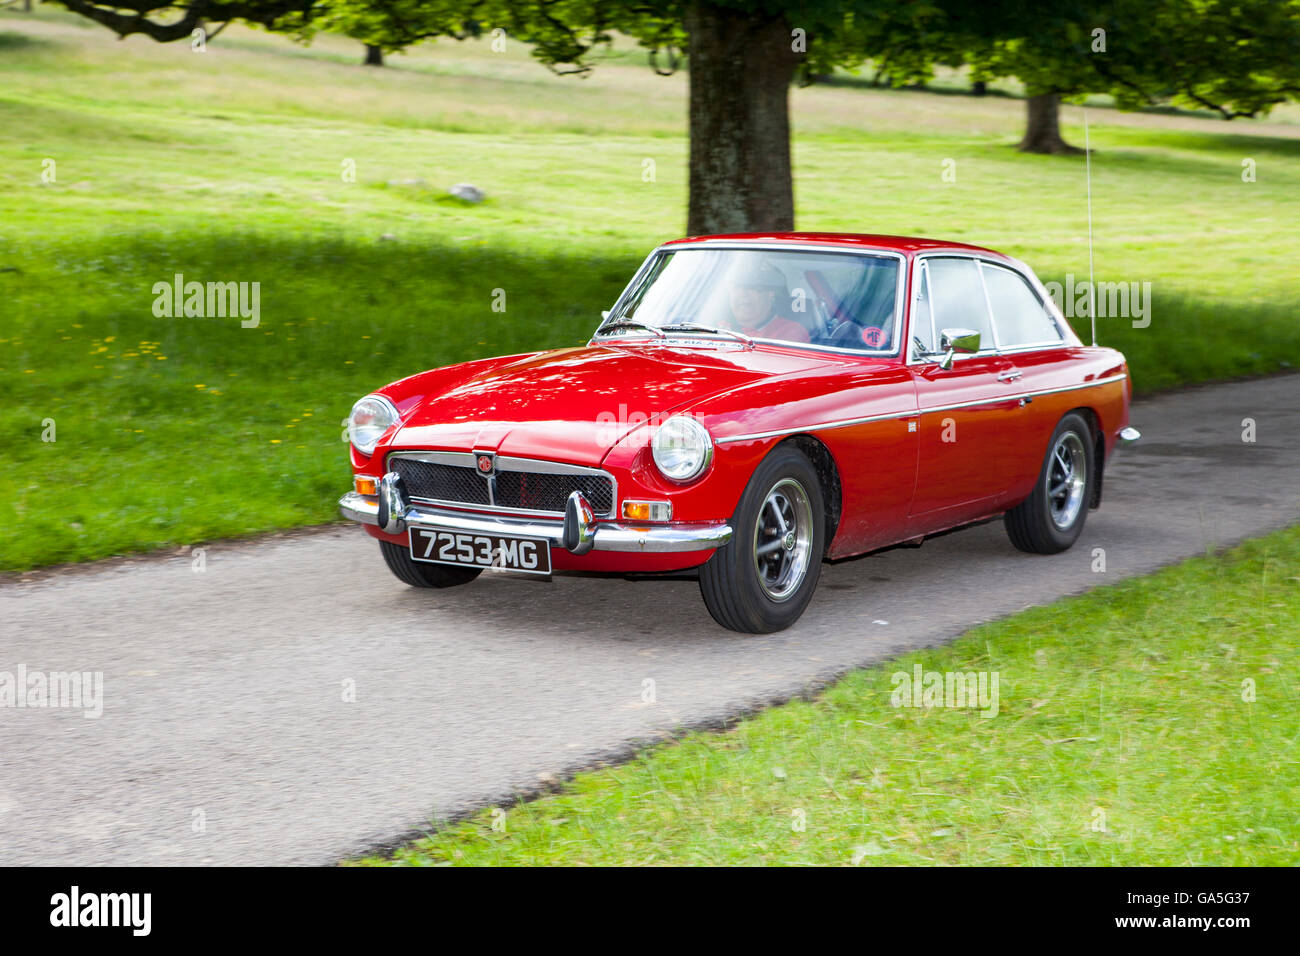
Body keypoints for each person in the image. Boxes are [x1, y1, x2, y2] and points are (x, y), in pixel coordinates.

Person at [722, 261, 810, 343]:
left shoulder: (791, 331)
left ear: (770, 293)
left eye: (752, 287)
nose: (742, 294)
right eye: (736, 287)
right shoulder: (714, 326)